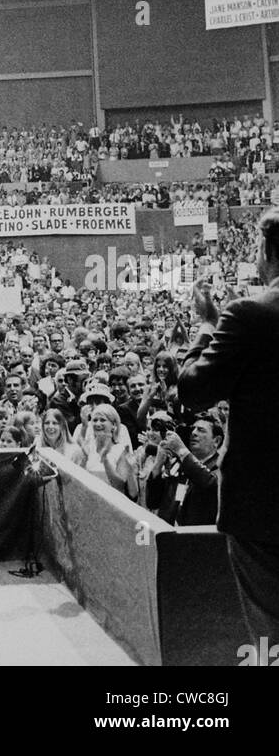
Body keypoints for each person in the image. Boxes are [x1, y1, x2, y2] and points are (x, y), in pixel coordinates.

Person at [178, 208, 279, 656]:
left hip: (263, 508)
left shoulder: (248, 315)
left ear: (267, 252)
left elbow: (194, 390)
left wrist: (205, 326)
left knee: (269, 631)